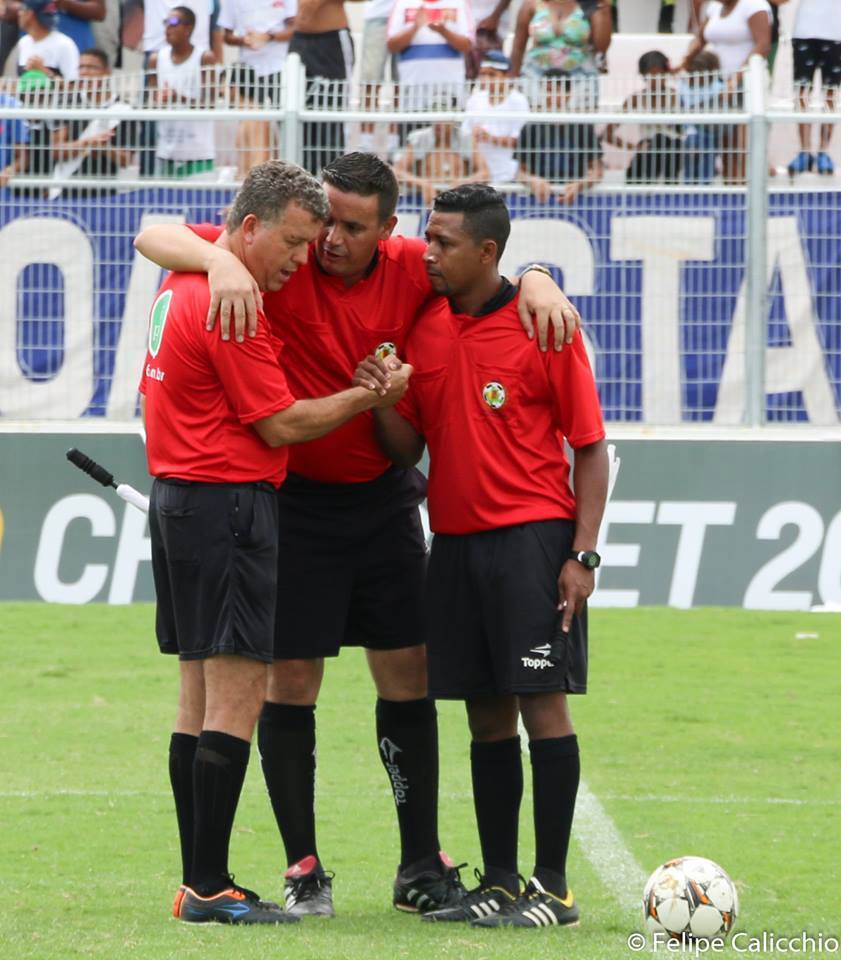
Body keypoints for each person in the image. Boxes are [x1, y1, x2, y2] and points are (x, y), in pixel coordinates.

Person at [134, 152, 582, 919]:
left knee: (408, 673)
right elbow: (149, 231)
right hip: (289, 501)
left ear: (389, 231)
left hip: (381, 501)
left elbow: (488, 261)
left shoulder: (411, 264)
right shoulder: (275, 253)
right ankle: (302, 866)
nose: (329, 243)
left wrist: (538, 272)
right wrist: (218, 260)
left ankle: (419, 863)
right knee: (287, 684)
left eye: (351, 226)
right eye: (324, 224)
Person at [140, 159, 412, 925]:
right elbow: (281, 423)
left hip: (178, 500)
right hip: (228, 503)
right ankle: (207, 887)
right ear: (250, 228)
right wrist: (371, 394)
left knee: (194, 699)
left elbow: (152, 235)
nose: (302, 259)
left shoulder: (194, 272)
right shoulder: (233, 304)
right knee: (235, 698)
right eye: (293, 242)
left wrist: (221, 257)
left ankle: (201, 876)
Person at [355, 182, 608, 928]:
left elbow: (590, 449)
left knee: (542, 708)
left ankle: (553, 888)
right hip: (455, 547)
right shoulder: (425, 328)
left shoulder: (543, 325)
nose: (428, 254)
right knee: (484, 718)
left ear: (488, 252)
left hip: (531, 543)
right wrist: (380, 402)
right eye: (427, 239)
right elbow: (409, 447)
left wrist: (582, 557)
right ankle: (498, 883)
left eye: (444, 242)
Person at [680, 0, 771, 182]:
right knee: (726, 144)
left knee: (740, 144)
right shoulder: (715, 8)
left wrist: (735, 79)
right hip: (720, 85)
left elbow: (763, 45)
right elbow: (701, 38)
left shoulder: (754, 6)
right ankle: (730, 192)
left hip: (747, 83)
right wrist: (685, 62)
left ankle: (745, 194)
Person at [49, 46, 136, 197]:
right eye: (81, 67)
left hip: (105, 192)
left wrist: (104, 148)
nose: (84, 73)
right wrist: (89, 143)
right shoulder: (67, 103)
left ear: (107, 72)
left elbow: (126, 160)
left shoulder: (124, 110)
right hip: (65, 190)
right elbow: (56, 151)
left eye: (91, 67)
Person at [515, 67, 603, 203]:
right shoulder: (531, 127)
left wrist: (579, 185)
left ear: (568, 93)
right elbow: (520, 172)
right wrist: (533, 181)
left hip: (576, 199)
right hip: (538, 199)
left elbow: (597, 172)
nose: (552, 96)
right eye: (548, 90)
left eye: (558, 90)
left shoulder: (583, 127)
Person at [148, 6, 216, 178]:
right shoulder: (156, 59)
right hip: (166, 150)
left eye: (173, 22)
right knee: (166, 203)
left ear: (188, 28)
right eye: (165, 22)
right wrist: (158, 100)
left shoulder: (204, 57)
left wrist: (178, 97)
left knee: (200, 202)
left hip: (198, 151)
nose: (167, 28)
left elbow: (210, 104)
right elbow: (150, 102)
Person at [288, 0, 354, 174]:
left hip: (331, 41)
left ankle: (334, 180)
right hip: (298, 39)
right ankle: (302, 179)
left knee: (331, 114)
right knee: (295, 111)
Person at [509, 0, 611, 109]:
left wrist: (603, 11)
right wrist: (511, 82)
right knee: (535, 122)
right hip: (535, 74)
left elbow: (601, 47)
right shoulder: (532, 4)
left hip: (580, 76)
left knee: (578, 123)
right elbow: (518, 48)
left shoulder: (589, 4)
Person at [604, 50, 683, 184]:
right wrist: (633, 147)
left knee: (663, 140)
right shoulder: (635, 99)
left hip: (673, 150)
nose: (655, 81)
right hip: (648, 150)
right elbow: (608, 133)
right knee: (654, 144)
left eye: (659, 75)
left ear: (666, 73)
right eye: (650, 76)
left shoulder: (677, 97)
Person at [386, 0, 474, 112]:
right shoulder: (403, 3)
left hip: (450, 95)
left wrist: (443, 31)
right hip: (413, 97)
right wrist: (415, 28)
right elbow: (392, 46)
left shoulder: (459, 3)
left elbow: (467, 46)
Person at [393, 106, 489, 206]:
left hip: (460, 203)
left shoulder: (466, 140)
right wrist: (422, 184)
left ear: (452, 120)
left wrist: (464, 183)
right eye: (435, 116)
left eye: (443, 118)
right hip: (424, 202)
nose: (438, 122)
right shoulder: (420, 139)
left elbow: (485, 174)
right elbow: (397, 172)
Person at [461, 50, 530, 186]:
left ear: (506, 76)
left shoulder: (519, 101)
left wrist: (491, 138)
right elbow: (464, 135)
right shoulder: (475, 99)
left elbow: (522, 142)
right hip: (477, 176)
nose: (485, 79)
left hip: (508, 175)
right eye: (483, 74)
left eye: (492, 75)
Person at [788, 0, 840, 176]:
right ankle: (804, 149)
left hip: (835, 31)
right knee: (801, 92)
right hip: (805, 30)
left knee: (831, 94)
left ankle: (824, 150)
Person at [218, 0, 296, 104]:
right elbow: (227, 36)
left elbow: (294, 30)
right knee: (250, 117)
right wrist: (243, 40)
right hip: (247, 72)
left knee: (282, 115)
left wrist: (268, 37)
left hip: (280, 68)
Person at [17, 0, 80, 79]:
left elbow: (74, 86)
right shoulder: (23, 42)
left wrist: (44, 71)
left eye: (22, 9)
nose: (19, 13)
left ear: (30, 14)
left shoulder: (64, 44)